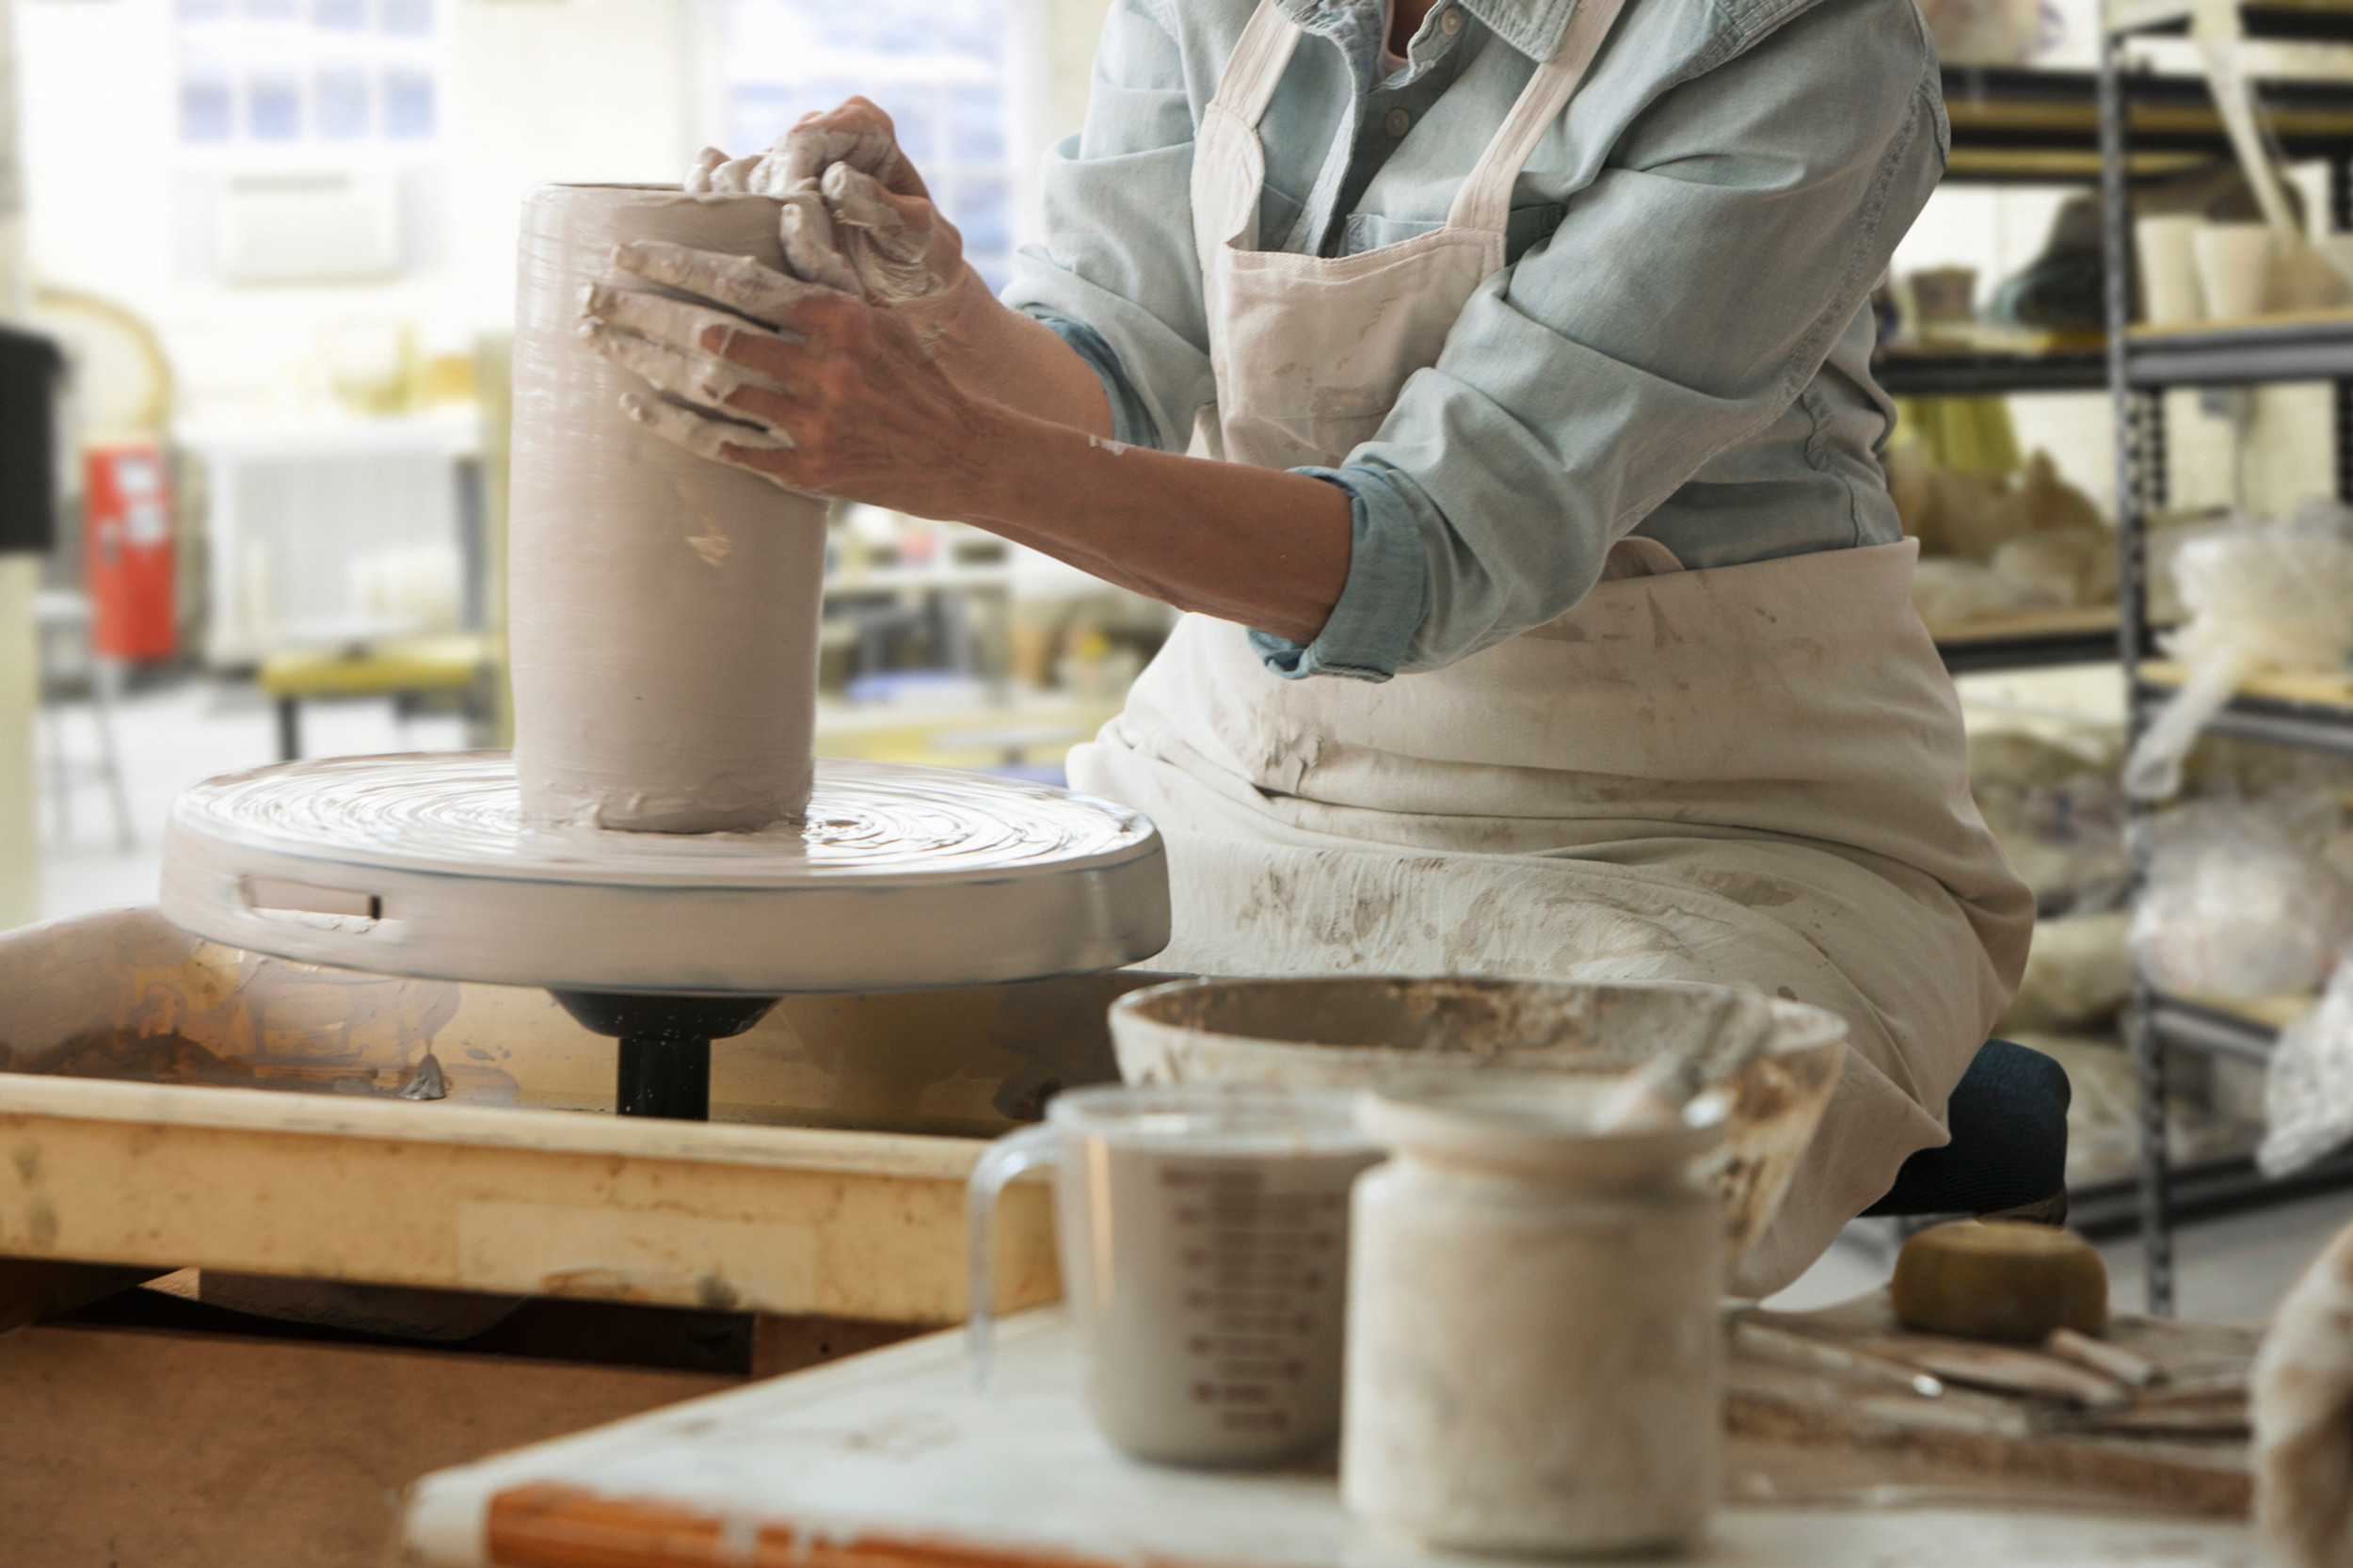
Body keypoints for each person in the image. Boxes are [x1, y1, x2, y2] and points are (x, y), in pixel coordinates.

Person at [579, 0, 2033, 1293]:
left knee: (1523, 1229)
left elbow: (1444, 544)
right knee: (861, 1072)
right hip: (1228, 780)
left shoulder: (1799, 41)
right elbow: (1104, 369)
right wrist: (931, 301)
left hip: (1693, 833)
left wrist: (951, 456)